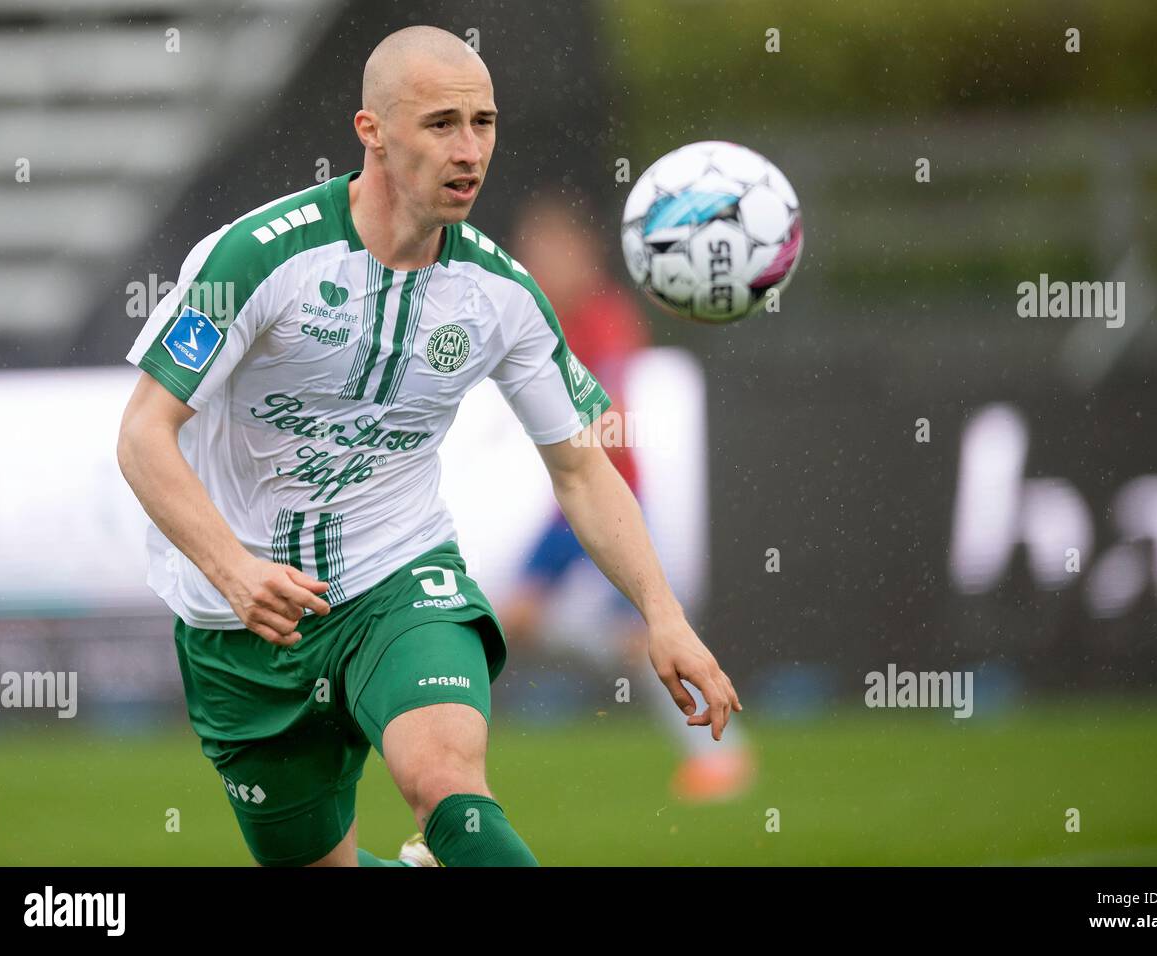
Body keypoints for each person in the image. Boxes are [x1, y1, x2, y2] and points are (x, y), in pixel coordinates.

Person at [116, 25, 740, 867]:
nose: (470, 148)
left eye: (483, 123)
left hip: (398, 577)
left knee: (445, 779)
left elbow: (584, 468)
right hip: (241, 618)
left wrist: (665, 618)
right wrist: (234, 569)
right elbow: (143, 434)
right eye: (441, 123)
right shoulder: (255, 257)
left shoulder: (504, 296)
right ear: (371, 131)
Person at [500, 194, 755, 801]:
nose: (540, 262)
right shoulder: (538, 318)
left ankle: (722, 758)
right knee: (519, 622)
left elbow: (608, 412)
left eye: (552, 250)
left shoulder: (606, 316)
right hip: (568, 508)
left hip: (614, 503)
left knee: (617, 636)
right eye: (533, 252)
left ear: (583, 255)